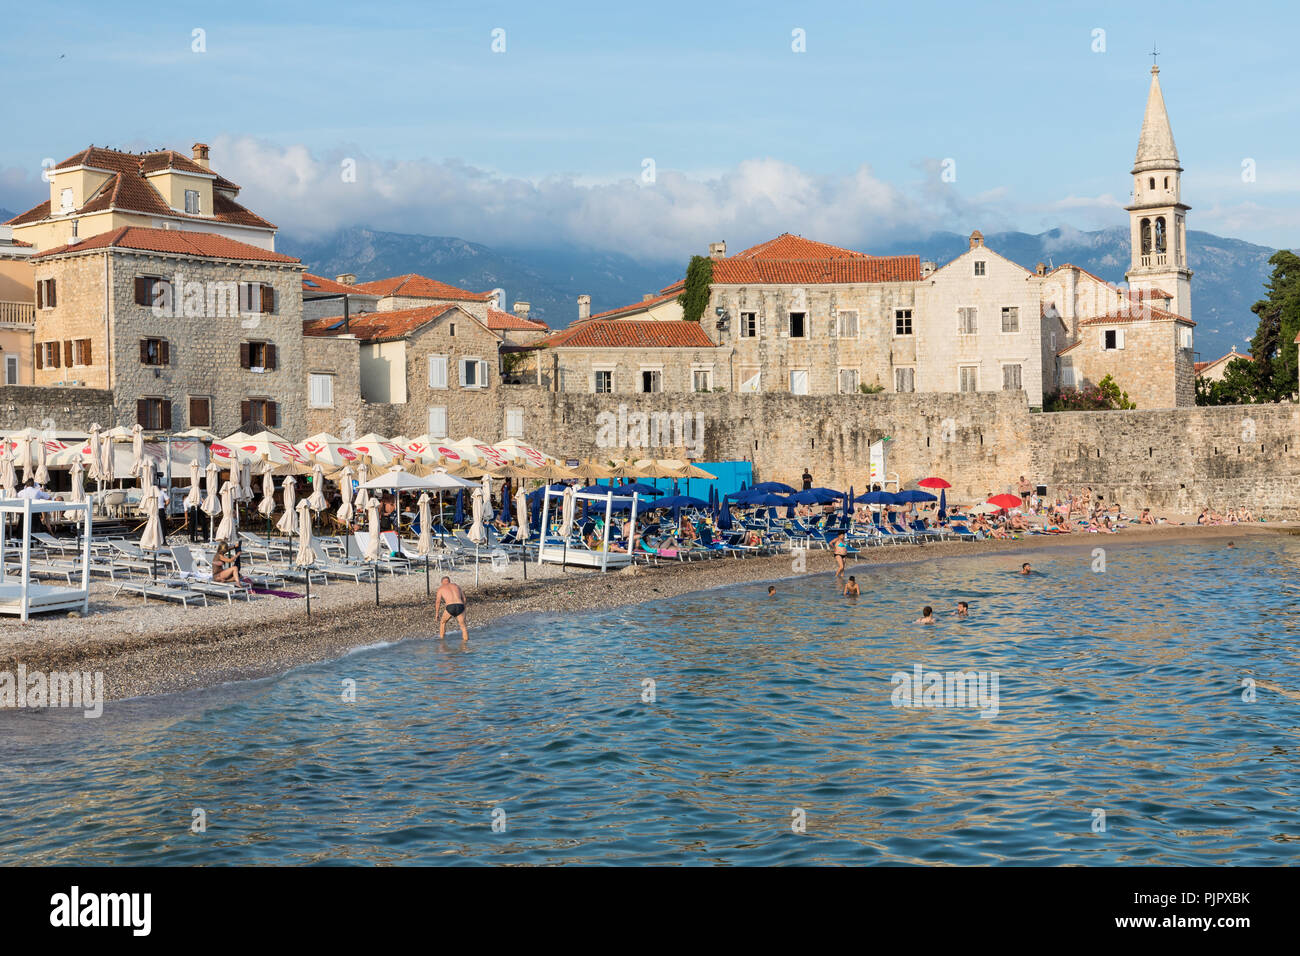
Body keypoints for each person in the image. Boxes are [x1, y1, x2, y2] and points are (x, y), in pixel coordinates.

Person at [434, 576, 469, 642]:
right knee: (463, 626)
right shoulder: (456, 586)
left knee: (442, 622)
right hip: (460, 605)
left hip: (450, 606)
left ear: (442, 582)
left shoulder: (441, 588)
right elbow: (464, 599)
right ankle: (465, 645)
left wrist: (437, 614)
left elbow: (438, 601)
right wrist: (464, 609)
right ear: (449, 581)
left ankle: (442, 642)